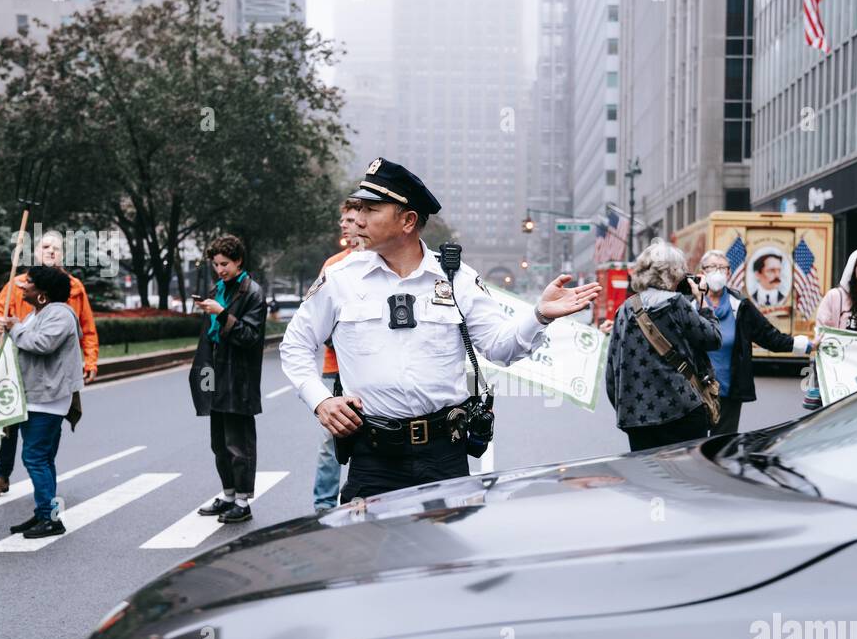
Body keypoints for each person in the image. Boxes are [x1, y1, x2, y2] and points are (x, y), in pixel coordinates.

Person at [280, 157, 600, 502]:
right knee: (371, 555)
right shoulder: (340, 278)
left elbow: (498, 347)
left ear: (407, 220)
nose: (357, 218)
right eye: (358, 208)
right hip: (373, 458)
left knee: (442, 554)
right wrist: (321, 400)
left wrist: (539, 314)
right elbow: (295, 345)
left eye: (372, 209)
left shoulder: (456, 278)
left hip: (443, 456)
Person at [0, 230, 100, 499]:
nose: (50, 251)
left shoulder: (72, 288)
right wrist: (0, 324)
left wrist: (90, 359)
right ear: (35, 252)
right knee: (9, 424)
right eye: (45, 246)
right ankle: (2, 474)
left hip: (50, 375)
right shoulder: (19, 283)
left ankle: (45, 491)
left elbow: (86, 327)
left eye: (55, 248)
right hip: (18, 369)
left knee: (42, 440)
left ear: (62, 254)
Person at [606, 239, 721, 451]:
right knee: (685, 477)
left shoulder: (624, 310)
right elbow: (713, 339)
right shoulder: (677, 304)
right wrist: (703, 302)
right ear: (673, 273)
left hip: (637, 418)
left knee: (649, 479)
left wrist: (629, 408)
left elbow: (612, 373)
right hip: (682, 410)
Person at [0, 264, 84, 539]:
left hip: (47, 398)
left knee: (35, 457)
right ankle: (44, 512)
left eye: (29, 282)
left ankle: (49, 518)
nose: (22, 286)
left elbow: (43, 344)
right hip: (36, 396)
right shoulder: (40, 312)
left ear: (43, 293)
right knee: (43, 457)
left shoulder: (60, 314)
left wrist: (16, 328)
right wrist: (11, 329)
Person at [189, 235, 267, 524]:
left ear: (238, 262)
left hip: (240, 378)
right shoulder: (217, 288)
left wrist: (222, 314)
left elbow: (249, 336)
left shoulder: (252, 292)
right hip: (216, 374)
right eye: (216, 264)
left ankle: (243, 501)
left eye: (225, 264)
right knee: (219, 443)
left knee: (239, 444)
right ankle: (228, 495)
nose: (220, 269)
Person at [700, 249, 816, 436]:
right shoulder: (688, 304)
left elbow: (769, 336)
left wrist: (805, 345)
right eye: (712, 267)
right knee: (689, 447)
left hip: (728, 393)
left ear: (729, 273)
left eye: (722, 268)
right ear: (702, 271)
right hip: (693, 393)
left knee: (721, 446)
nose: (717, 272)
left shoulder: (740, 306)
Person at [311, 200, 365, 512]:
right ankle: (323, 507)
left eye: (349, 219)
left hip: (371, 369)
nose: (343, 225)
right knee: (331, 440)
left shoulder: (382, 261)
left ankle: (363, 498)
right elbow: (316, 318)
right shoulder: (332, 265)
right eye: (341, 219)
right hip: (335, 368)